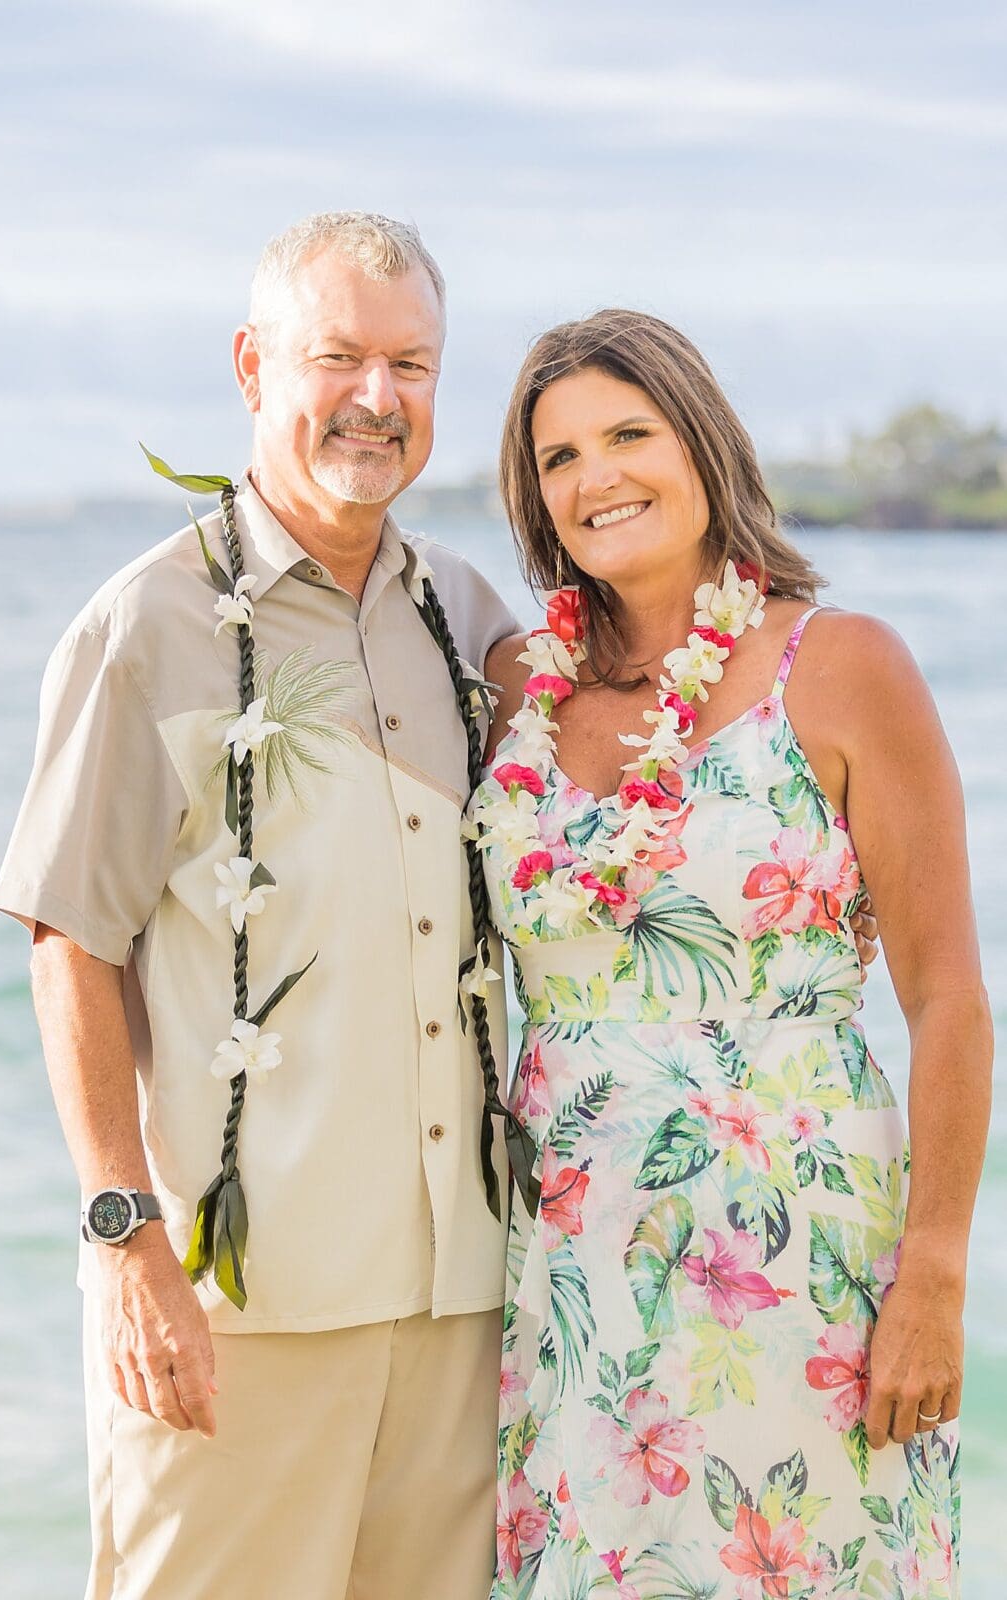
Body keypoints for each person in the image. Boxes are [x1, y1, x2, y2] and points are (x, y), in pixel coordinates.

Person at [0, 212, 527, 1600]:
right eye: (338, 354)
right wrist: (126, 1245)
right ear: (252, 366)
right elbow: (71, 939)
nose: (376, 397)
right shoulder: (146, 624)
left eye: (411, 363)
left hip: (461, 1303)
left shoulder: (473, 623)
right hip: (235, 1314)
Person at [474, 309, 991, 1599]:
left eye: (628, 435)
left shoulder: (845, 667)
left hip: (797, 1254)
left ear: (703, 444)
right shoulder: (517, 690)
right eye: (559, 458)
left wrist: (934, 1269)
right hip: (572, 1255)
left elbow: (947, 993)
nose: (597, 479)